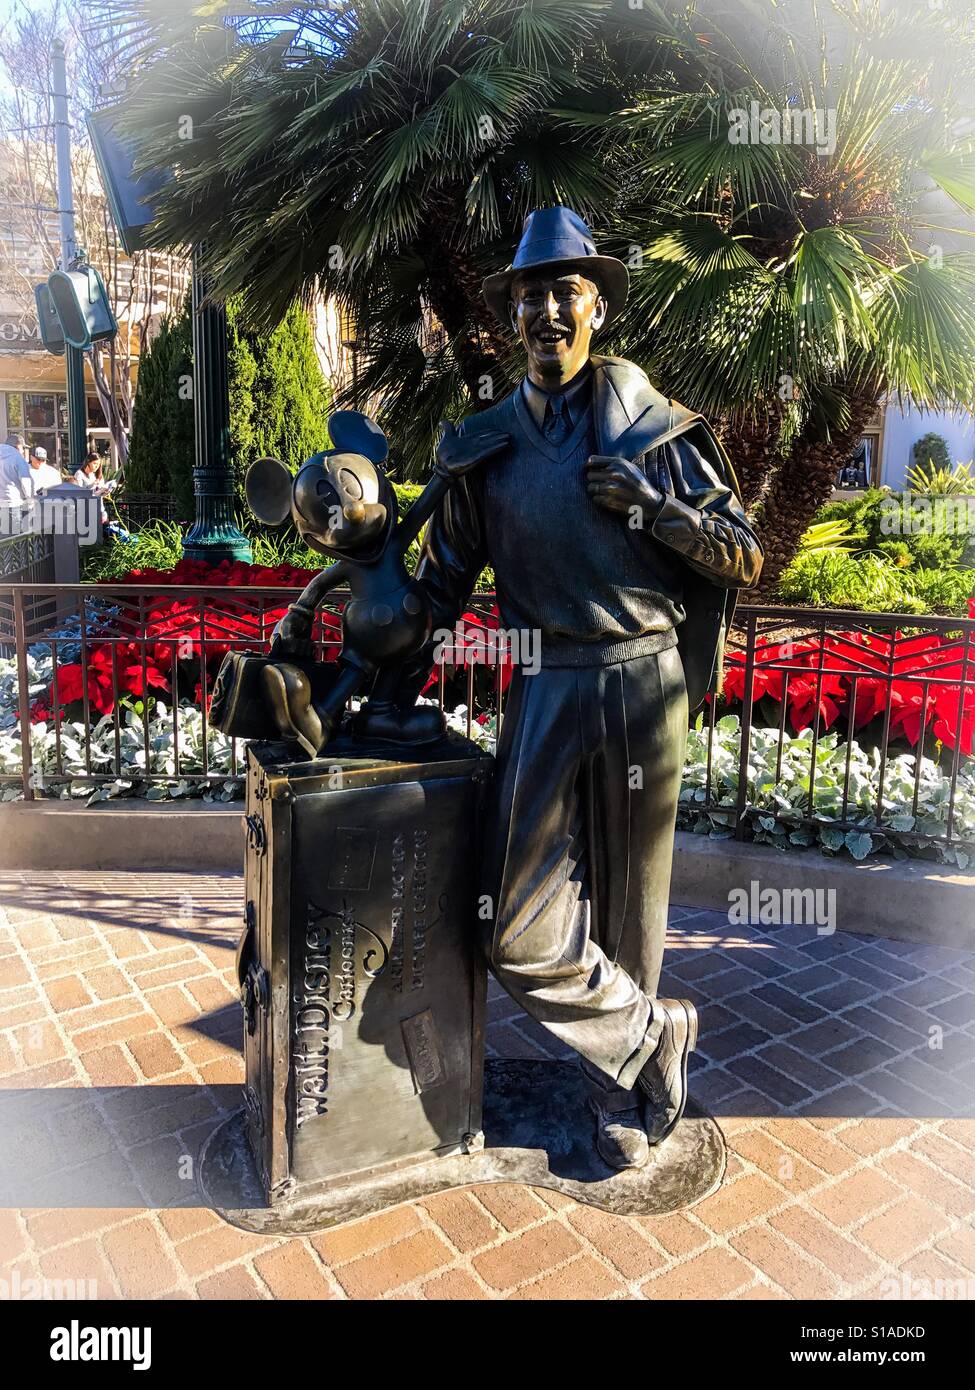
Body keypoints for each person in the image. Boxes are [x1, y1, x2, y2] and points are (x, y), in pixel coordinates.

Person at [365, 207, 764, 1170]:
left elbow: (743, 555)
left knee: (634, 908)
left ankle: (620, 1099)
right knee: (515, 924)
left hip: (642, 684)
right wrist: (366, 599)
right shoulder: (484, 446)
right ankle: (647, 1038)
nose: (546, 309)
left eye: (564, 292)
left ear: (597, 311)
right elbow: (439, 587)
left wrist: (655, 507)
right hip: (543, 684)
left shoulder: (659, 431)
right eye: (529, 294)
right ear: (512, 316)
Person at [0, 433, 31, 504]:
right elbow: (25, 481)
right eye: (22, 448)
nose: (23, 451)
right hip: (13, 502)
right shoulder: (18, 458)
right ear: (18, 446)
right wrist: (30, 500)